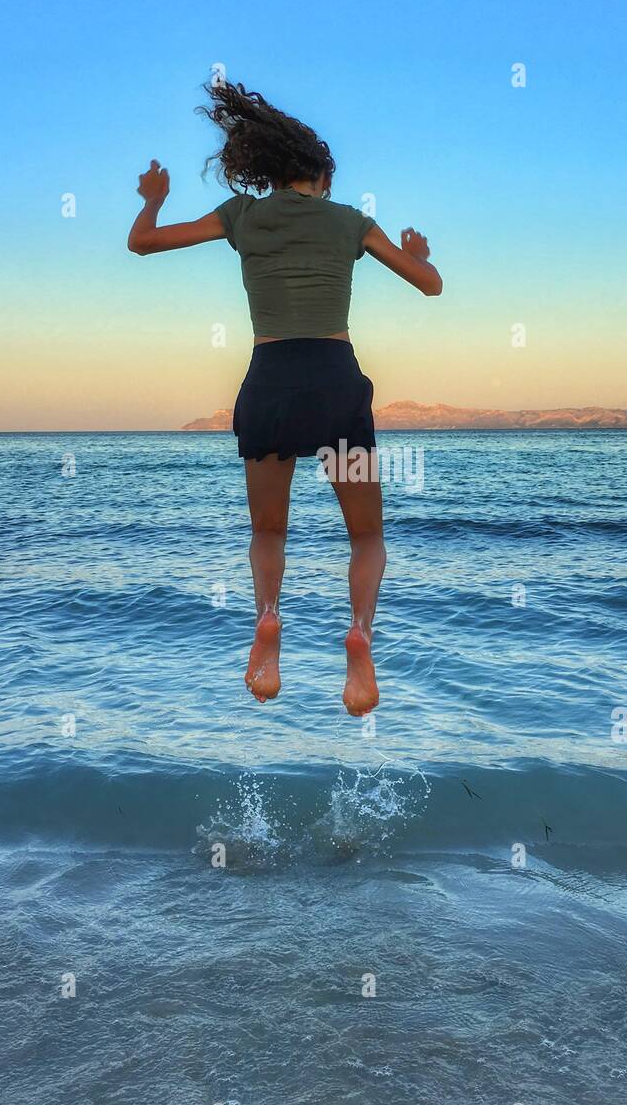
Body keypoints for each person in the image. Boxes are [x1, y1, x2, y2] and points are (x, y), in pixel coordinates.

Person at [127, 80, 443, 715]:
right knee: (366, 536)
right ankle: (359, 636)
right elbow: (431, 286)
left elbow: (143, 244)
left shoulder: (240, 216)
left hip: (269, 379)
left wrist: (154, 200)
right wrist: (415, 256)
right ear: (322, 175)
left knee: (269, 529)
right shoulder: (352, 221)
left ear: (271, 170)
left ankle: (267, 622)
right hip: (335, 383)